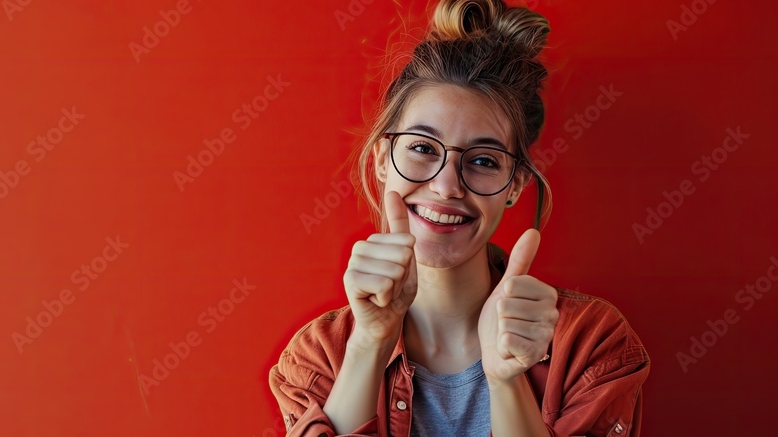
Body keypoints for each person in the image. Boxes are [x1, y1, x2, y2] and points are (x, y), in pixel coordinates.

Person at [268, 0, 650, 436]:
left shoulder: (592, 342)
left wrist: (506, 381)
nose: (447, 185)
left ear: (515, 185)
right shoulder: (317, 357)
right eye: (422, 148)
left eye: (483, 160)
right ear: (381, 160)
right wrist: (368, 344)